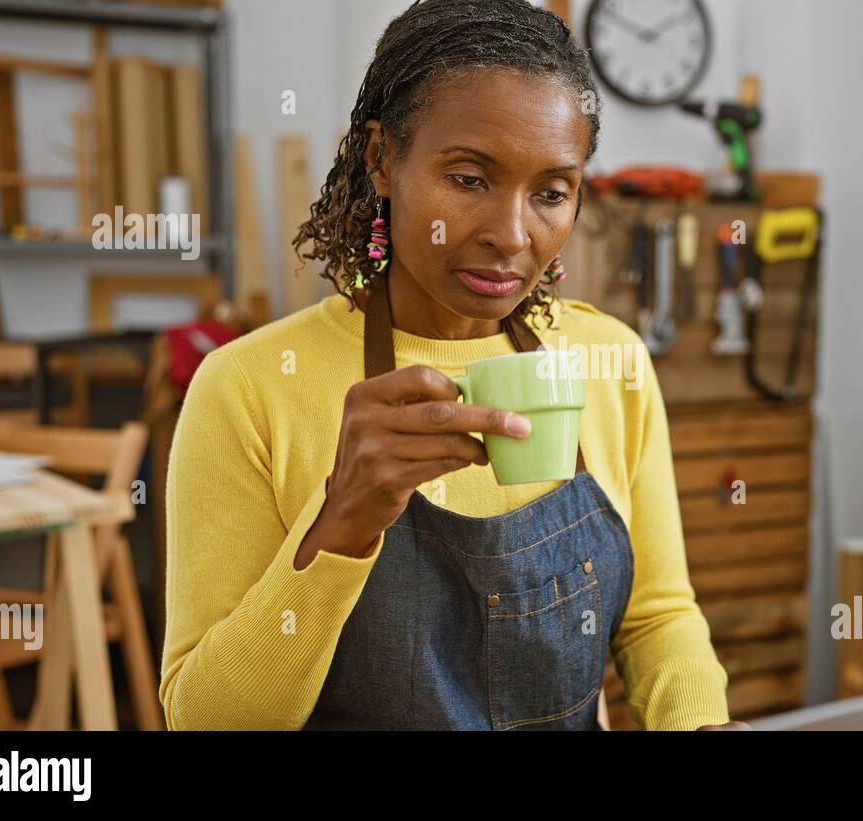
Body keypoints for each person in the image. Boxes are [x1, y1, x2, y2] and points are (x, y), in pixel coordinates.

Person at [160, 0, 745, 731]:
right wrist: (339, 526)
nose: (510, 234)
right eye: (469, 179)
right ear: (380, 158)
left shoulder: (610, 360)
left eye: (551, 193)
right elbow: (205, 718)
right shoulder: (247, 388)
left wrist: (694, 722)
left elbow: (658, 618)